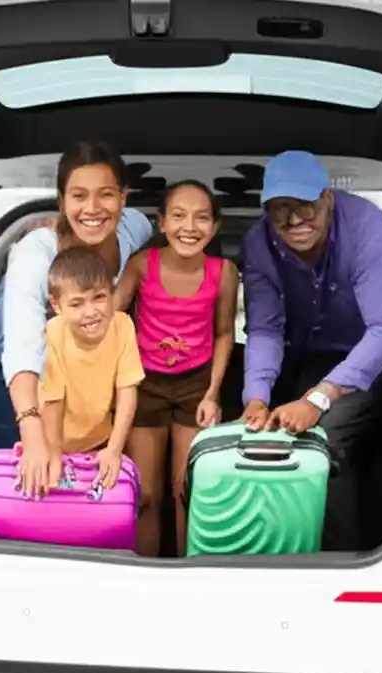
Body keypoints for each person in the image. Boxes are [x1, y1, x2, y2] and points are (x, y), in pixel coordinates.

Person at [239, 150, 382, 552]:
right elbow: (264, 329)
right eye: (280, 210)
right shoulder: (258, 243)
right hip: (305, 359)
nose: (294, 220)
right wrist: (255, 398)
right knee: (263, 439)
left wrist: (317, 398)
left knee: (318, 442)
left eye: (306, 206)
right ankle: (264, 549)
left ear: (328, 198)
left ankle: (340, 560)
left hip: (369, 358)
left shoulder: (365, 225)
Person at [0, 141, 155, 496]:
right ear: (61, 202)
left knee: (75, 494)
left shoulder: (135, 229)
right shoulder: (36, 254)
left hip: (79, 378)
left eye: (105, 195)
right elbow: (23, 347)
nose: (92, 208)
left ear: (124, 197)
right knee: (22, 489)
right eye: (78, 196)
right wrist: (32, 428)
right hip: (13, 375)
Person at [112, 180, 239, 557]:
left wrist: (214, 393)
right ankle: (145, 569)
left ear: (214, 228)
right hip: (143, 383)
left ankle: (188, 569)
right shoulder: (142, 265)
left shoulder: (224, 271)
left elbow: (224, 333)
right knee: (145, 493)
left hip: (196, 385)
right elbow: (111, 317)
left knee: (186, 490)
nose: (190, 227)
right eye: (179, 216)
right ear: (162, 223)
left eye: (202, 218)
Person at [33, 246, 145, 496]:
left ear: (112, 292)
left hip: (101, 443)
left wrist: (115, 449)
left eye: (99, 297)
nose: (91, 311)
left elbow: (127, 392)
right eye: (76, 304)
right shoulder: (52, 334)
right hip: (55, 443)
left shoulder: (122, 326)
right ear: (57, 305)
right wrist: (53, 453)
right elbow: (52, 402)